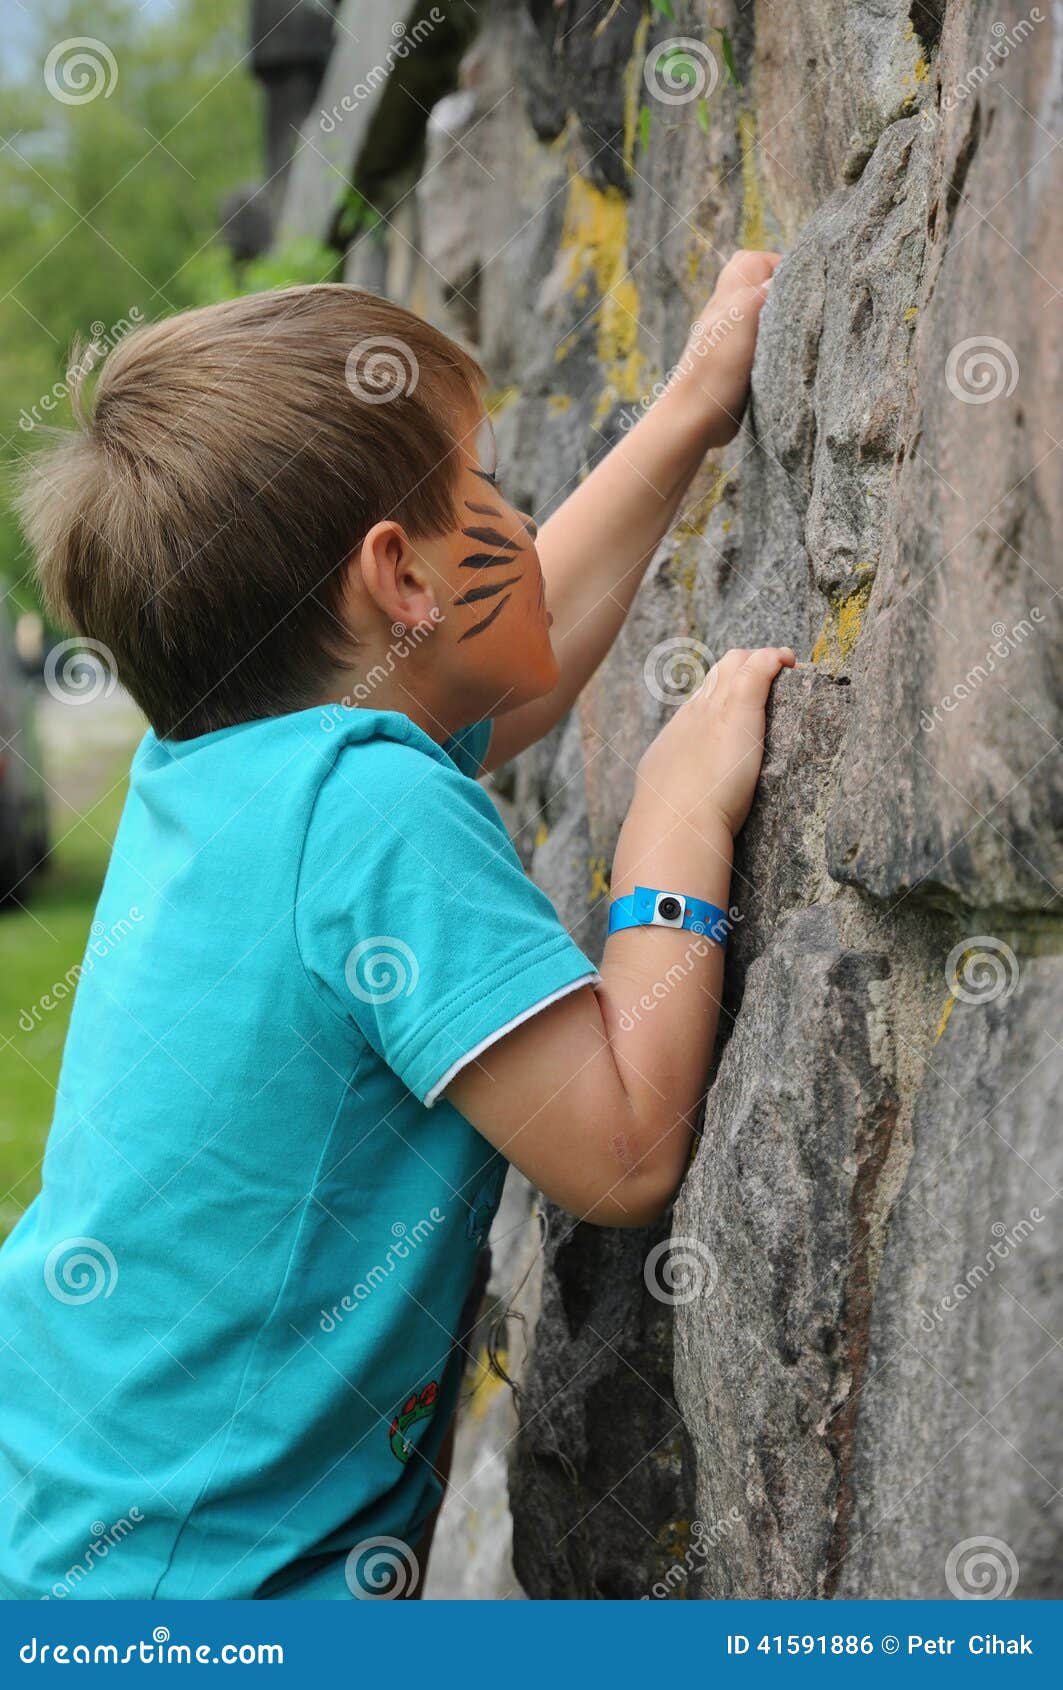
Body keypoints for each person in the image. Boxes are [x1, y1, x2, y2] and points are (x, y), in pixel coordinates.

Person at [0, 252, 792, 1599]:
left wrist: (691, 409)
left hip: (73, 1533)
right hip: (194, 1604)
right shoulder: (368, 808)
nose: (516, 513)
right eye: (483, 489)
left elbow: (502, 665)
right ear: (400, 577)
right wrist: (673, 826)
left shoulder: (229, 769)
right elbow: (619, 1145)